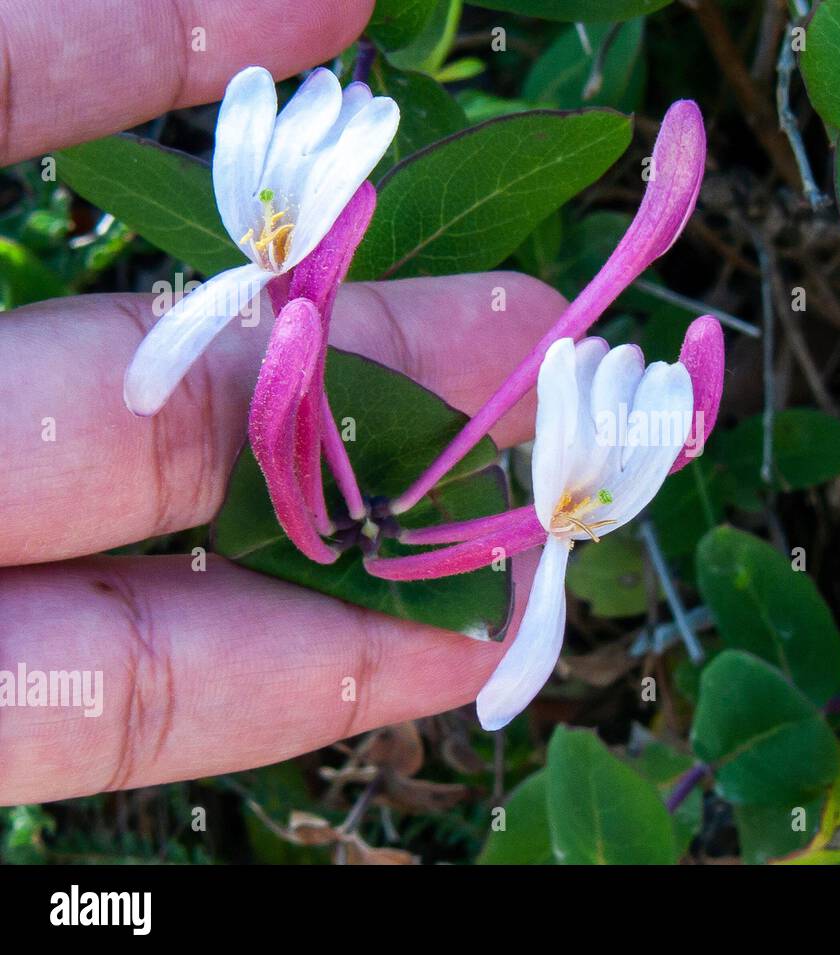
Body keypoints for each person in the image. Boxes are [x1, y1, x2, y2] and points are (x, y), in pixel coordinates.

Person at [0, 0, 558, 805]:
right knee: (297, 312)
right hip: (295, 430)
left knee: (302, 309)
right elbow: (172, 373)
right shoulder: (257, 265)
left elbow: (312, 284)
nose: (267, 230)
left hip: (319, 410)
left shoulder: (268, 264)